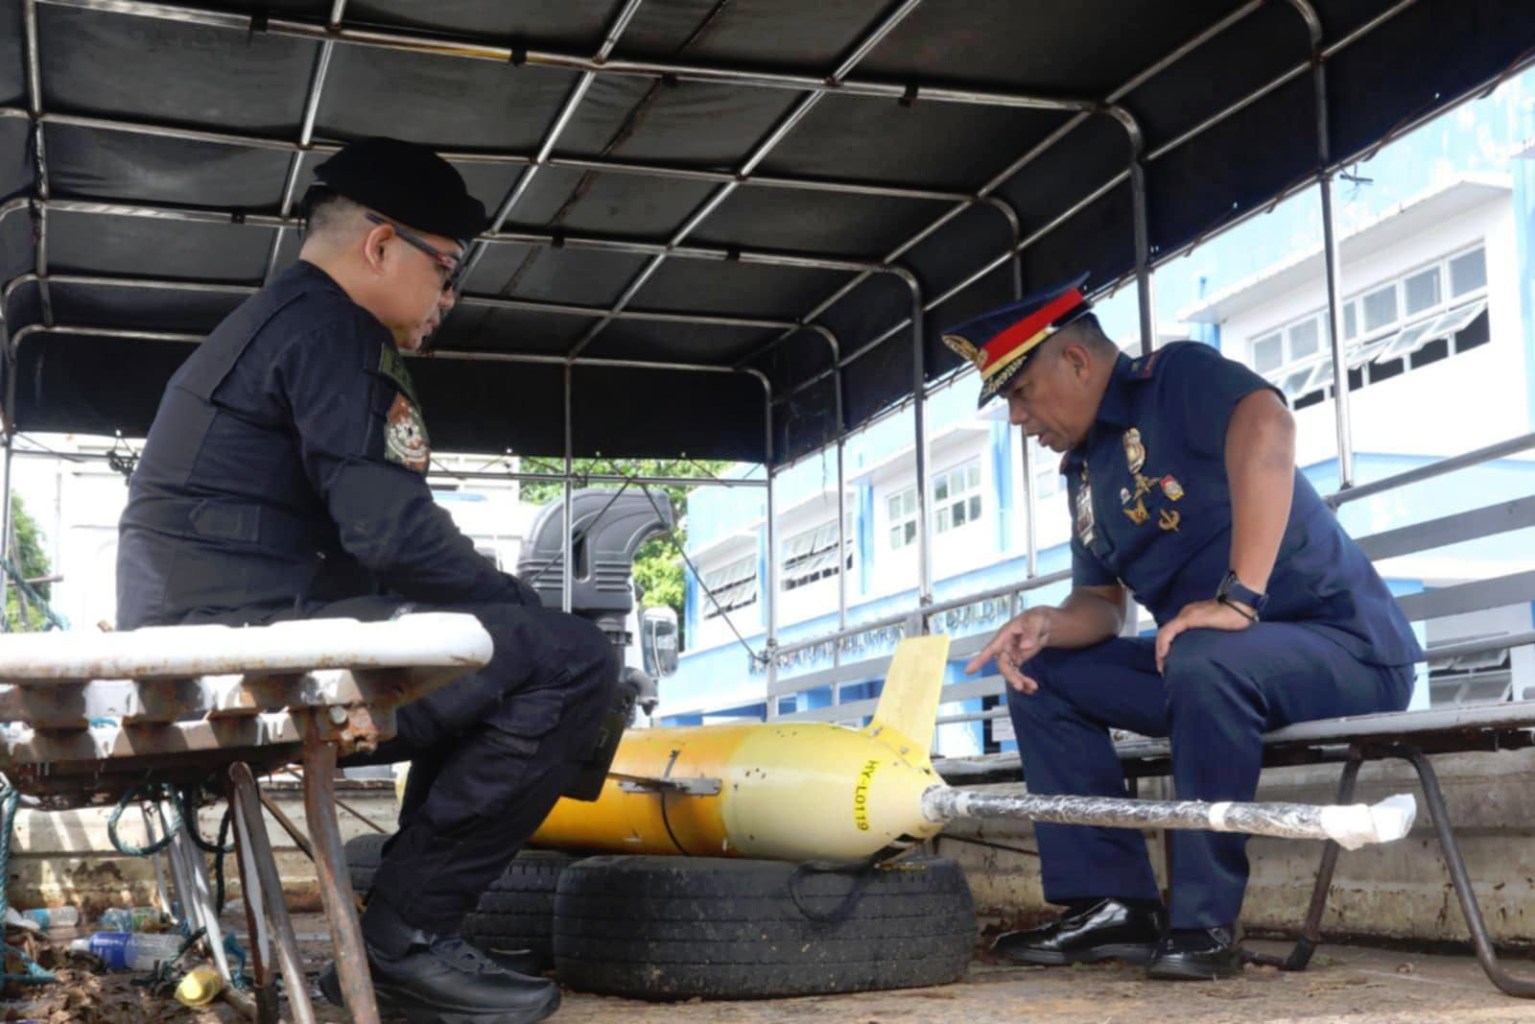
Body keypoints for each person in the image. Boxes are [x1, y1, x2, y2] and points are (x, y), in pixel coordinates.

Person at [116, 137, 617, 1023]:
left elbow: (367, 540)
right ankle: (408, 939)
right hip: (250, 650)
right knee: (568, 658)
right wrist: (523, 607)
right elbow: (394, 532)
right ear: (382, 246)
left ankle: (406, 915)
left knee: (499, 656)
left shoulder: (278, 323)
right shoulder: (335, 330)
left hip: (211, 638)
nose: (448, 298)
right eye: (447, 270)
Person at [946, 276, 1421, 980]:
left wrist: (1238, 597)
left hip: (1344, 651)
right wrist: (1047, 623)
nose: (1017, 418)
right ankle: (1111, 904)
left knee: (1204, 654)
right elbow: (1102, 605)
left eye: (1018, 393)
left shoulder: (1175, 380)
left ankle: (1203, 926)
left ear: (1075, 362)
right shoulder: (1083, 474)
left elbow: (1268, 425)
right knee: (1041, 677)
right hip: (1213, 667)